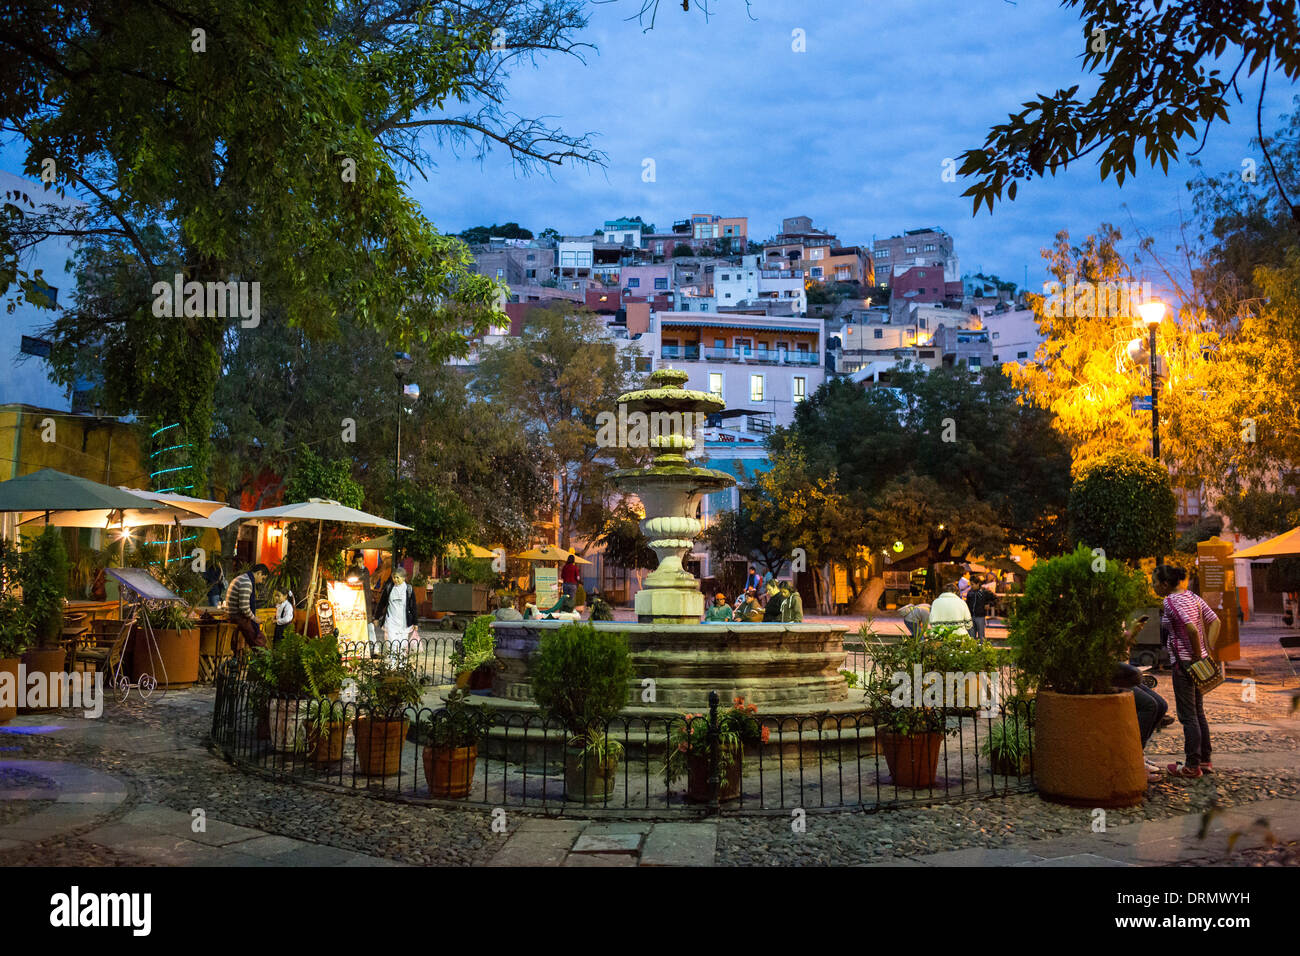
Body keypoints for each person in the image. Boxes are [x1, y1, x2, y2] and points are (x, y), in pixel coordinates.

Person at [1154, 564, 1221, 778]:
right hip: (1198, 662)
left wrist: (1193, 654)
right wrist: (1206, 649)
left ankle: (1192, 766)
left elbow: (1191, 628)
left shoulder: (1170, 601)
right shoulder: (1192, 596)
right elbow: (1215, 621)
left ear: (1165, 584)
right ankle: (1205, 760)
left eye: (1154, 583)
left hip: (1184, 663)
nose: (1154, 587)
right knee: (1198, 712)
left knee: (1188, 716)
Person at [225, 563, 269, 652]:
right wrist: (254, 618)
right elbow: (244, 608)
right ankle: (265, 660)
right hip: (237, 616)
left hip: (233, 614)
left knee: (260, 637)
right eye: (262, 578)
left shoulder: (242, 578)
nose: (261, 581)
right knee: (258, 641)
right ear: (259, 573)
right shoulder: (246, 582)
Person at [374, 566, 419, 650]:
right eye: (394, 577)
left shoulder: (409, 589)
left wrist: (415, 622)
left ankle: (402, 662)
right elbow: (381, 603)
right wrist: (376, 617)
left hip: (404, 621)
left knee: (403, 643)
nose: (395, 580)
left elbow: (413, 606)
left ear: (404, 578)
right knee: (391, 642)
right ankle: (392, 662)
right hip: (391, 620)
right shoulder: (389, 588)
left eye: (398, 577)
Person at [967, 578, 995, 643]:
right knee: (971, 636)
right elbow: (967, 603)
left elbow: (995, 599)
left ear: (978, 584)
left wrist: (989, 604)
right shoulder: (970, 592)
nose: (971, 586)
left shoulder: (984, 592)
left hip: (980, 617)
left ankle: (982, 650)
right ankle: (972, 650)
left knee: (981, 636)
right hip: (971, 617)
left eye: (972, 584)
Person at [346, 550, 372, 617]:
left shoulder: (365, 570)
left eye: (360, 562)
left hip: (365, 595)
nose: (358, 564)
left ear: (363, 561)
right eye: (356, 562)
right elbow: (348, 577)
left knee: (364, 615)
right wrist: (352, 568)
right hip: (355, 596)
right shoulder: (352, 570)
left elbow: (362, 578)